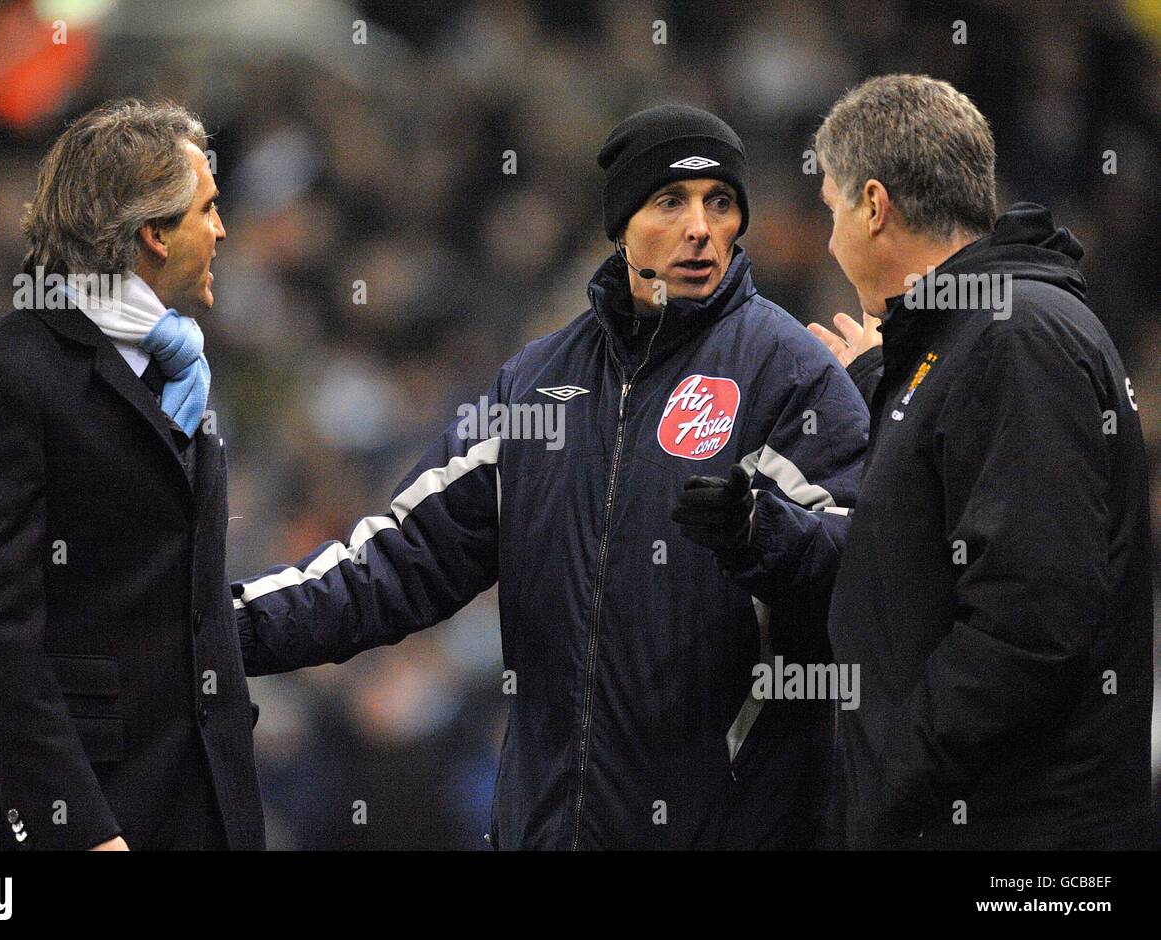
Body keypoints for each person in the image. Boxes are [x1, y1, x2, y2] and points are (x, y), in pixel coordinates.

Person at [233, 104, 868, 849]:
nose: (700, 226)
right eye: (671, 201)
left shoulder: (789, 373)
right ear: (622, 222)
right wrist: (218, 628)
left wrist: (764, 533)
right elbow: (395, 562)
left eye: (720, 202)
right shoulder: (535, 385)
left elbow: (867, 566)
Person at [810, 74, 1154, 849]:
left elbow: (1031, 622)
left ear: (873, 204)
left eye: (831, 210)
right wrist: (888, 381)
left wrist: (885, 779)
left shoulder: (1015, 338)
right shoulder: (977, 338)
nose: (829, 242)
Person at [0, 100, 264, 850]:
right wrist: (78, 832)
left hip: (192, 810)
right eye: (208, 209)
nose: (222, 230)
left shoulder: (185, 368)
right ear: (153, 233)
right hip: (72, 823)